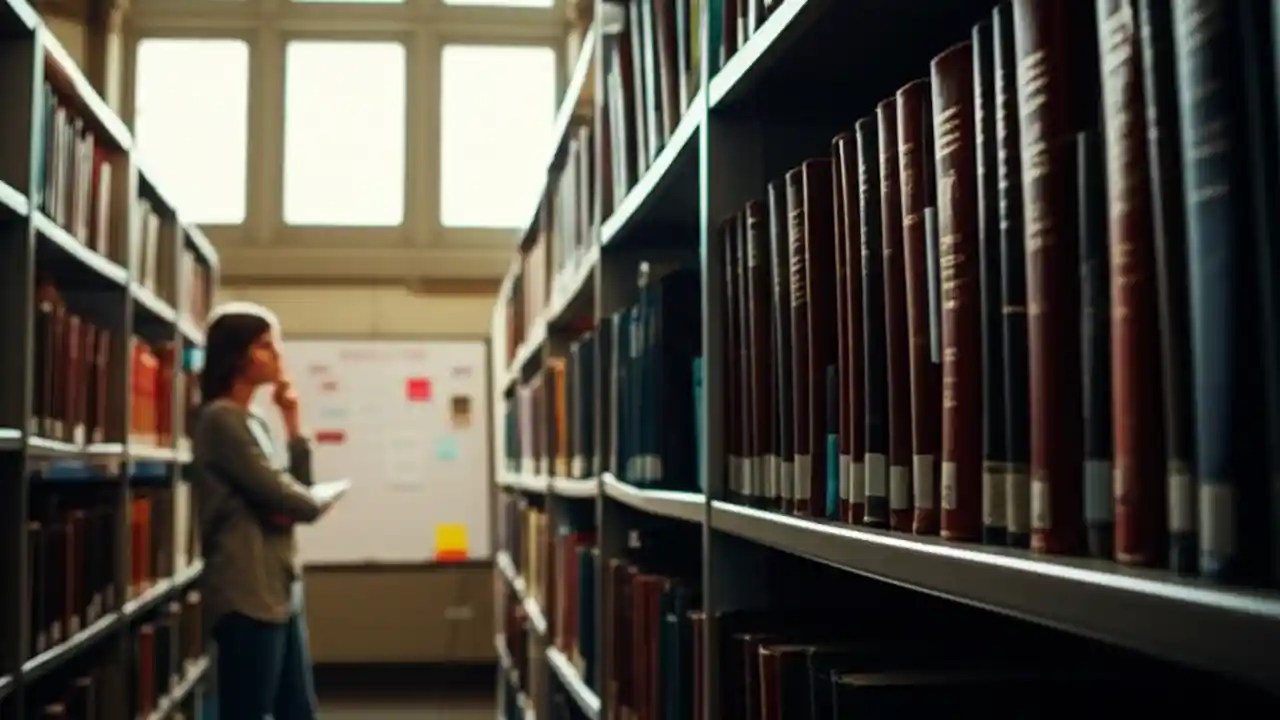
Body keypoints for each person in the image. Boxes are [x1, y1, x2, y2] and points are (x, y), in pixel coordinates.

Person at [193, 302, 340, 720]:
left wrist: (293, 423)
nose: (276, 355)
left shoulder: (252, 419)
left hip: (277, 585)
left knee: (297, 709)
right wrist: (309, 503)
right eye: (264, 345)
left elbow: (295, 492)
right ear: (236, 354)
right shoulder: (221, 420)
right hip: (245, 591)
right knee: (249, 710)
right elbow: (296, 502)